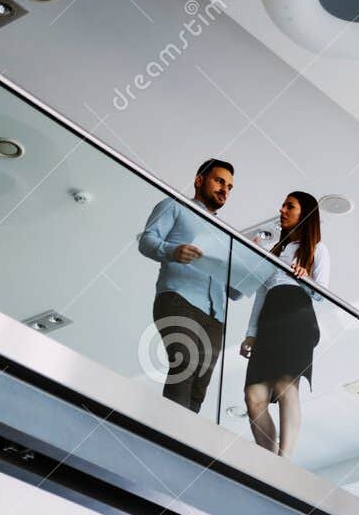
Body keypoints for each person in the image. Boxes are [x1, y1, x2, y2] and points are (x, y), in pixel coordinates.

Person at [137, 158, 237, 412]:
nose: (225, 189)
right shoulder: (175, 206)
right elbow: (146, 240)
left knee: (199, 388)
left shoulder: (228, 234)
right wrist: (172, 251)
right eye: (219, 181)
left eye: (229, 186)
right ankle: (168, 437)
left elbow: (234, 289)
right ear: (199, 180)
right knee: (184, 364)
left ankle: (183, 442)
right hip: (179, 299)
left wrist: (251, 266)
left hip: (216, 316)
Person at [240, 191, 329, 457]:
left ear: (305, 214)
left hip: (297, 318)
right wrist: (251, 333)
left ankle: (284, 460)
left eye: (289, 206)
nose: (282, 210)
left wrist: (305, 278)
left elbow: (322, 293)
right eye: (282, 205)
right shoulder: (275, 250)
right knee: (254, 396)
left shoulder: (317, 249)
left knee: (285, 386)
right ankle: (270, 460)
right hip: (270, 319)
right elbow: (260, 293)